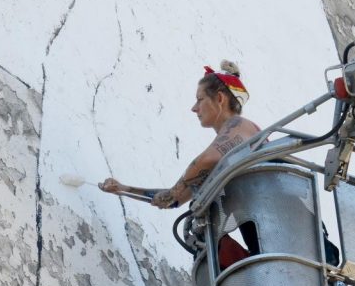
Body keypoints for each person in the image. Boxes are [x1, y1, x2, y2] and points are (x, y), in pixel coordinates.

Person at [98, 60, 260, 212]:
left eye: (199, 99)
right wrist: (124, 189)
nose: (194, 108)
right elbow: (176, 198)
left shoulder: (239, 124)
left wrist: (172, 194)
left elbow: (204, 161)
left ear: (219, 98)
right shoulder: (226, 154)